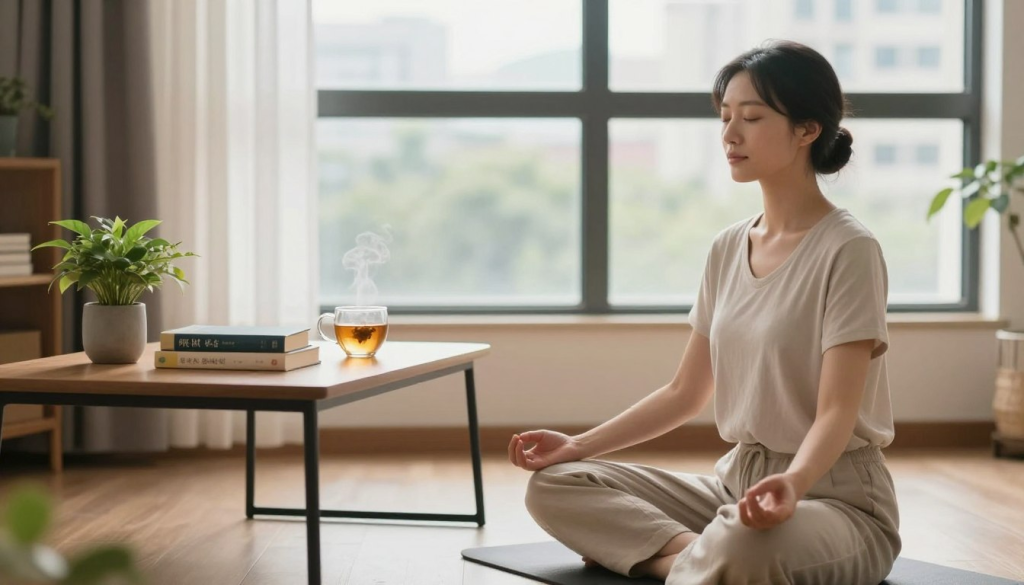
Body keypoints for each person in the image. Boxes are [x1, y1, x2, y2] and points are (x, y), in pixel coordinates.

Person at [507, 40, 901, 584]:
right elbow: (684, 393)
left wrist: (794, 483)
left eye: (752, 118)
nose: (730, 135)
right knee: (557, 483)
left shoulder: (849, 249)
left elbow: (836, 412)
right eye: (725, 118)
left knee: (743, 542)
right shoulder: (726, 247)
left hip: (835, 500)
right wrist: (577, 445)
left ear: (807, 129)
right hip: (733, 486)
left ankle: (675, 555)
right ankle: (693, 559)